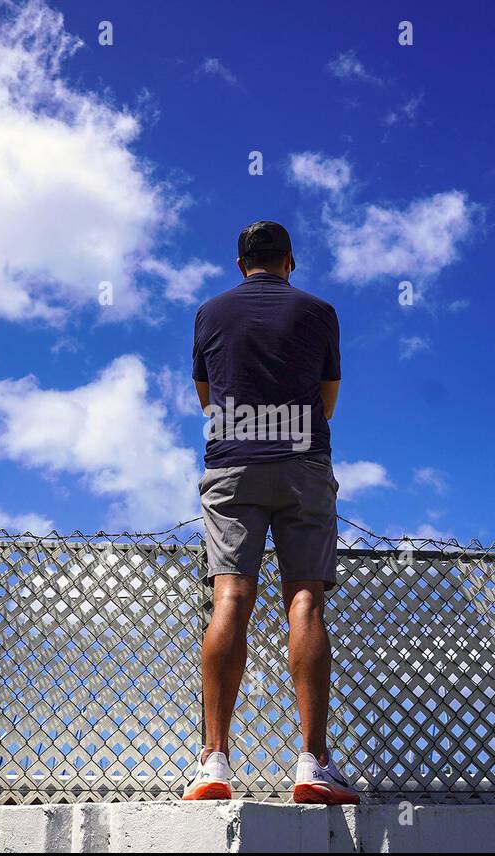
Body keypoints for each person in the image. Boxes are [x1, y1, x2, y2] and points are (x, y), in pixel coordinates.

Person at [183, 220, 358, 805]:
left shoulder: (210, 313)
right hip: (303, 461)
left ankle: (214, 762)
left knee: (231, 596)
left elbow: (207, 398)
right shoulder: (319, 312)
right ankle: (311, 764)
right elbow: (327, 400)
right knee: (304, 598)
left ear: (240, 265)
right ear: (290, 261)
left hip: (232, 460)